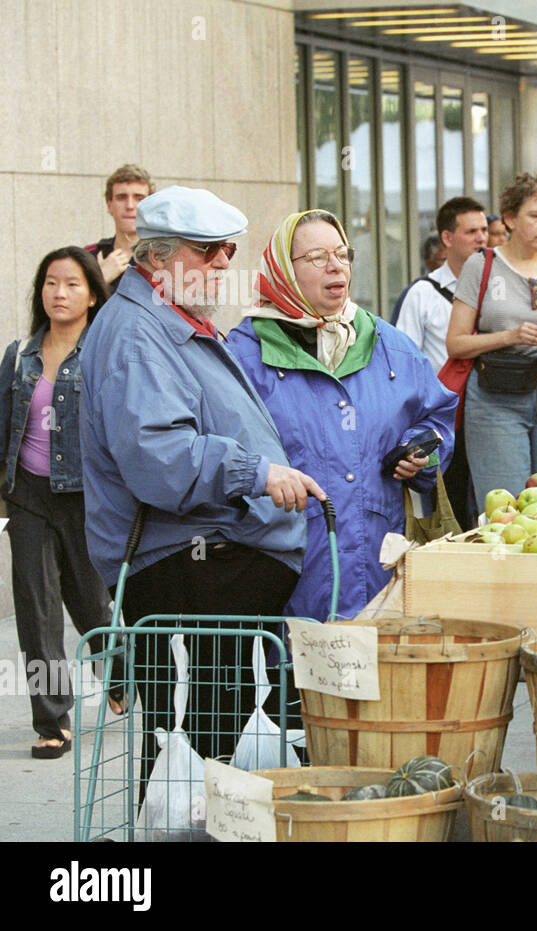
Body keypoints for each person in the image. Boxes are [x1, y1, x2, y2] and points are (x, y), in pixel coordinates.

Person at [79, 186, 323, 789]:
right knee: (188, 754)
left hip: (205, 563)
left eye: (228, 250)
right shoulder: (138, 334)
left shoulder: (172, 319)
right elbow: (159, 460)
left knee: (206, 743)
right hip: (184, 567)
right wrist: (257, 473)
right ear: (156, 259)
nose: (222, 263)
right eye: (207, 251)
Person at [228, 209, 458, 622]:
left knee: (377, 674)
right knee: (298, 676)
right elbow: (228, 457)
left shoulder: (388, 345)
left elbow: (438, 418)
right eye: (317, 257)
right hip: (287, 566)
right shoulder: (246, 354)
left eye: (342, 254)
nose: (336, 266)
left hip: (379, 560)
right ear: (283, 269)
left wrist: (420, 455)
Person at [0, 247, 112, 758]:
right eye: (50, 283)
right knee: (36, 608)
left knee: (92, 604)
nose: (59, 293)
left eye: (70, 284)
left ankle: (119, 672)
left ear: (92, 294)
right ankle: (52, 720)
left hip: (86, 495)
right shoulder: (18, 354)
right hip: (28, 495)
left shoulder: (105, 352)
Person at [445, 172, 537, 510]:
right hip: (497, 395)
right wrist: (509, 336)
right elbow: (456, 343)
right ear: (509, 218)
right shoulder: (481, 265)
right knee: (504, 508)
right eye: (535, 215)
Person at [394, 198, 487, 530]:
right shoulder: (422, 294)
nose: (481, 238)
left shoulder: (498, 288)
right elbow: (404, 365)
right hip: (449, 421)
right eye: (471, 231)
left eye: (485, 230)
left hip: (494, 411)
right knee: (455, 505)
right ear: (447, 238)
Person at [84, 164, 154, 294]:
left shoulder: (164, 257)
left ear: (150, 207)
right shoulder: (88, 257)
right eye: (121, 197)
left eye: (139, 198)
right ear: (109, 205)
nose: (130, 206)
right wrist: (100, 278)